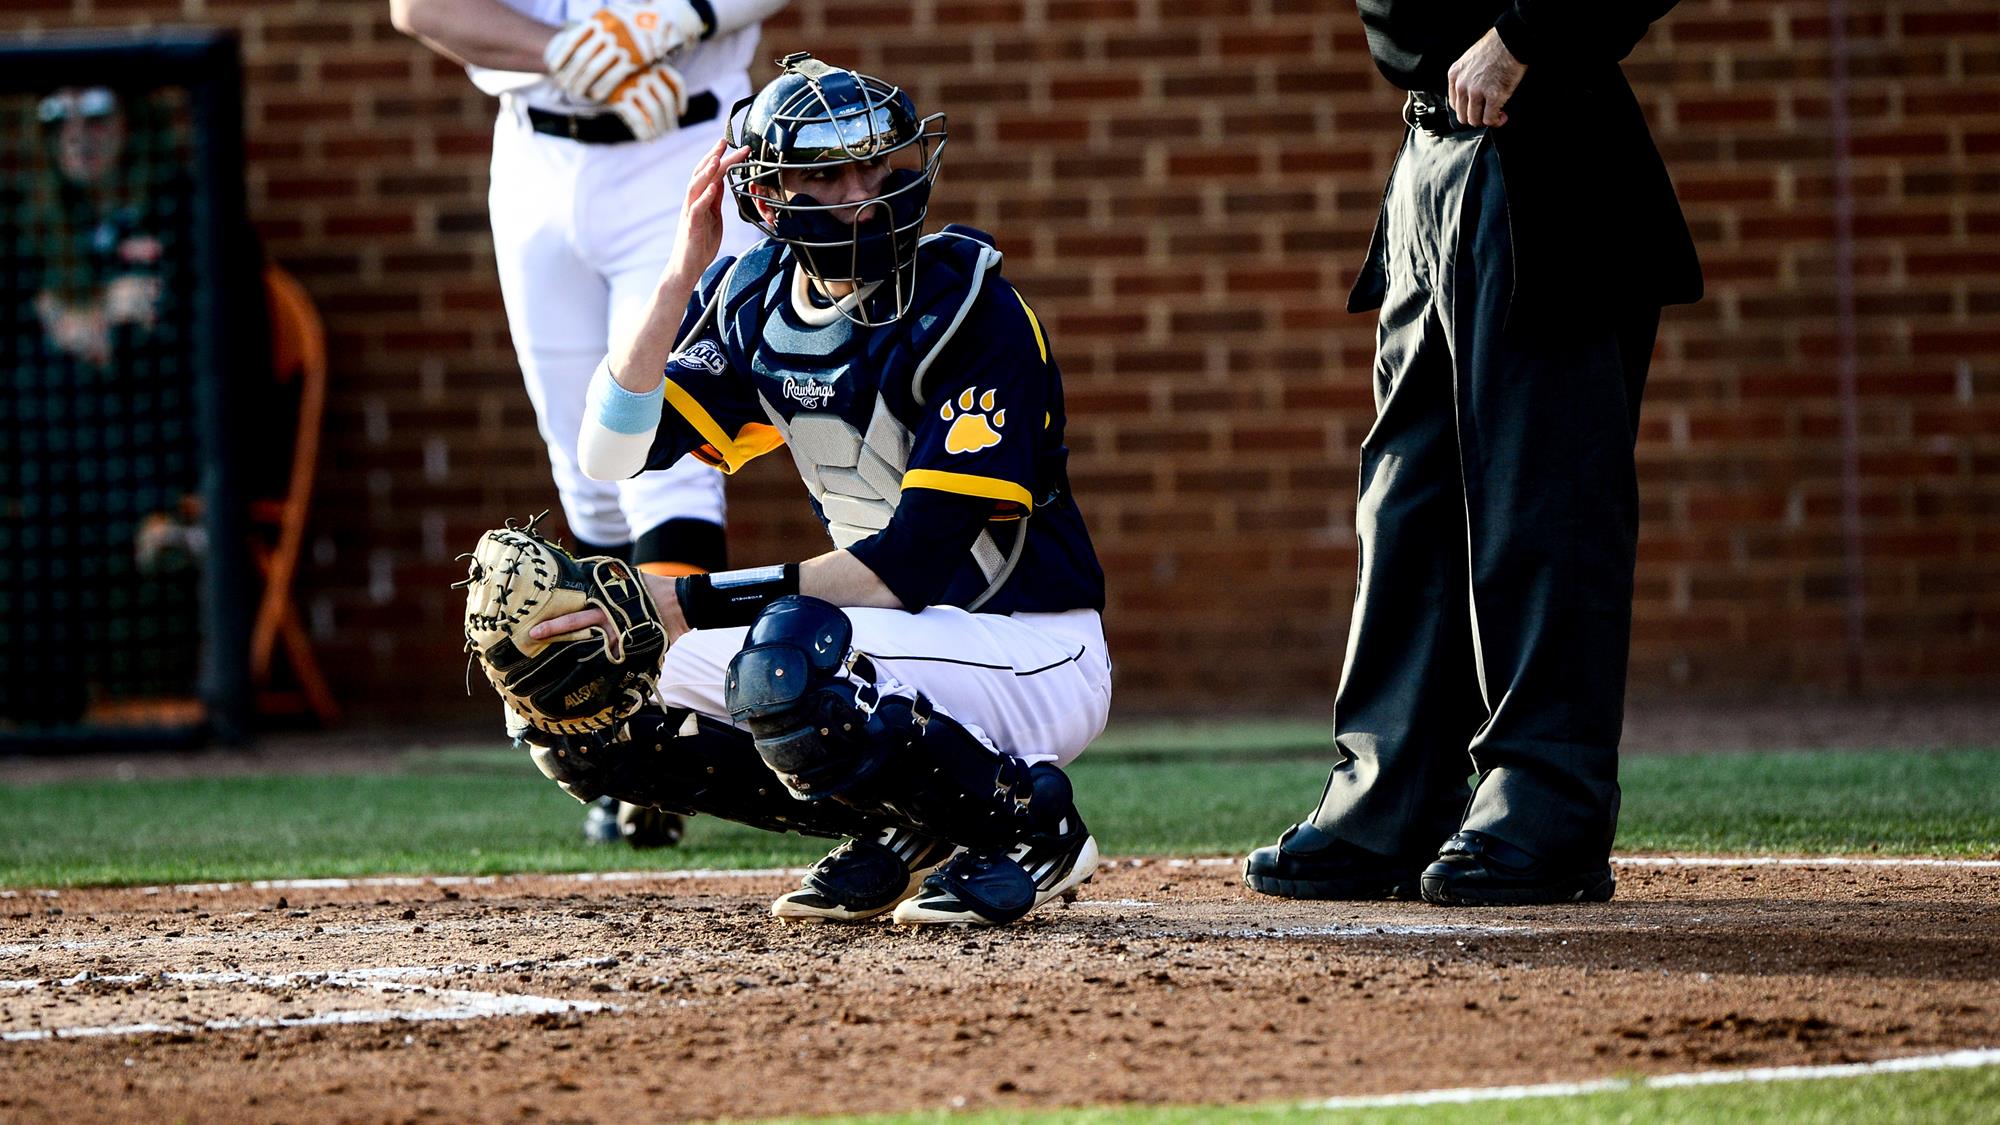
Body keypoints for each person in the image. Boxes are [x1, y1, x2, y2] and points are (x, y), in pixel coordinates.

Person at [510, 54, 1111, 926]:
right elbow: (610, 451)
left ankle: (1030, 827)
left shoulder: (969, 306)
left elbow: (910, 566)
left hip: (1029, 645)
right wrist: (677, 277)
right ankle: (903, 820)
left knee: (789, 658)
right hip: (889, 641)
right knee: (594, 698)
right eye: (826, 174)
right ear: (765, 198)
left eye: (875, 164)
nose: (863, 192)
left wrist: (689, 597)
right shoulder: (754, 296)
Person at [1243, 2, 1702, 905]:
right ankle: (1394, 798)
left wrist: (1526, 33)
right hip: (1427, 152)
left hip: (1542, 154)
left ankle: (1546, 809)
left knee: (1544, 500)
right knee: (1407, 507)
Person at [390, 0, 788, 845]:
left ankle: (674, 743)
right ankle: (614, 727)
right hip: (536, 153)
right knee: (592, 476)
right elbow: (418, 7)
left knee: (668, 458)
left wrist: (673, 20)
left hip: (689, 144)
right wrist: (567, 52)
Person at [1, 86, 201, 725]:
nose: (77, 136)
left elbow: (205, 350)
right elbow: (31, 336)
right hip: (74, 468)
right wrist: (95, 317)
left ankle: (153, 514)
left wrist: (105, 331)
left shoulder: (184, 211)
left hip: (171, 439)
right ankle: (145, 519)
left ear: (131, 126)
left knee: (56, 409)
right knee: (44, 388)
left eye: (96, 116)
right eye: (57, 121)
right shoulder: (35, 229)